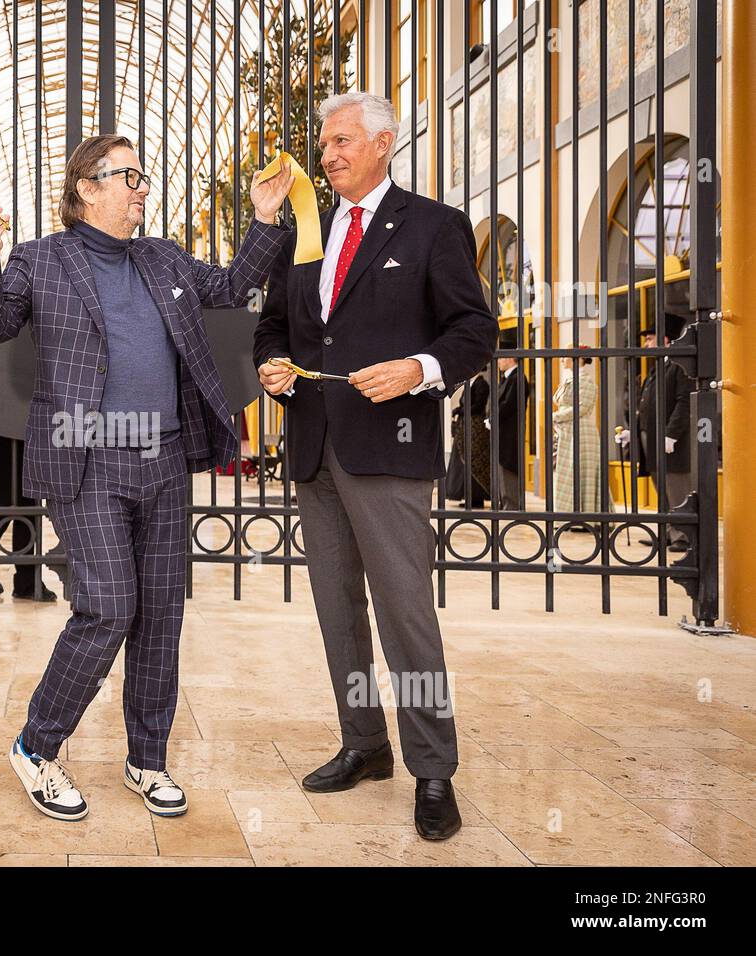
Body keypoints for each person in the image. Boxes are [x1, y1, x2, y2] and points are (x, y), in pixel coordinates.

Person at [0, 132, 293, 821]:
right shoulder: (41, 259)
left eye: (143, 176)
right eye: (129, 176)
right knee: (110, 605)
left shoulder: (163, 257)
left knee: (161, 617)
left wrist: (264, 219)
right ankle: (36, 745)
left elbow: (233, 288)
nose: (142, 187)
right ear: (87, 187)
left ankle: (147, 759)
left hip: (166, 459)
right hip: (86, 456)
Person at [253, 92, 495, 841]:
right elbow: (274, 324)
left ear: (384, 143)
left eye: (343, 141)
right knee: (338, 614)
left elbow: (473, 331)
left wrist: (418, 369)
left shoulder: (432, 226)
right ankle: (364, 743)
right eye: (323, 144)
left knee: (405, 617)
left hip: (389, 448)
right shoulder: (308, 233)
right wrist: (271, 365)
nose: (328, 155)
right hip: (314, 445)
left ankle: (433, 769)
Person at [619, 315, 692, 551]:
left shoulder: (679, 367)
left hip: (669, 440)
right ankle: (667, 533)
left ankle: (682, 536)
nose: (646, 345)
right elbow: (646, 403)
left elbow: (684, 403)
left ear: (665, 340)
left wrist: (672, 434)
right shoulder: (658, 367)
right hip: (648, 437)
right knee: (661, 488)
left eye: (650, 340)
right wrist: (633, 430)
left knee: (675, 488)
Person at [0, 429, 57, 601]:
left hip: (22, 438)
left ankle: (25, 580)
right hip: (1, 439)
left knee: (26, 508)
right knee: (5, 506)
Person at [553, 350, 601, 522]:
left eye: (565, 356)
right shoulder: (570, 378)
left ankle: (584, 517)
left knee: (579, 473)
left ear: (579, 359)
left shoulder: (585, 380)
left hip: (581, 433)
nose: (562, 360)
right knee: (568, 474)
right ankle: (569, 516)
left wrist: (555, 416)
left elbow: (583, 407)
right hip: (568, 433)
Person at [489, 348, 529, 511]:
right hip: (502, 430)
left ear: (511, 358)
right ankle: (503, 501)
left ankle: (511, 503)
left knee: (508, 465)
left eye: (501, 358)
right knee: (501, 465)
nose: (498, 361)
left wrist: (492, 418)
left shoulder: (518, 378)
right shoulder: (507, 378)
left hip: (510, 431)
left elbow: (508, 404)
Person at [444, 369, 488, 507]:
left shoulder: (482, 384)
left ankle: (476, 498)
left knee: (474, 460)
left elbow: (478, 406)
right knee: (463, 460)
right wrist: (459, 410)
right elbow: (465, 404)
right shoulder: (470, 383)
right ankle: (467, 496)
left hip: (475, 428)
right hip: (466, 426)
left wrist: (460, 411)